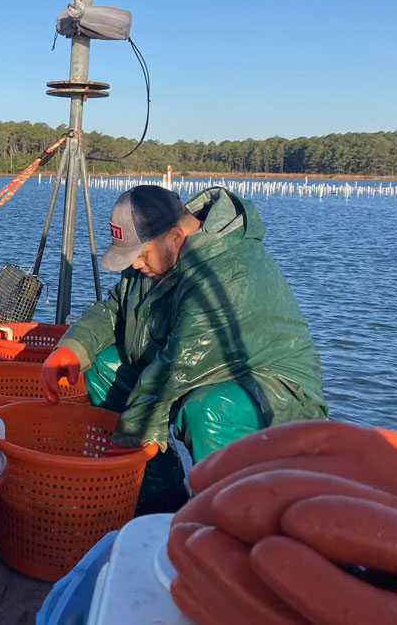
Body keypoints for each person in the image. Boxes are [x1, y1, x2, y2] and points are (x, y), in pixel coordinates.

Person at [42, 185, 327, 513]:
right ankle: (157, 496)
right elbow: (115, 307)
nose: (135, 265)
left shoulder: (229, 273)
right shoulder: (162, 255)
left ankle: (230, 516)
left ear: (176, 236)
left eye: (141, 255)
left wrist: (126, 440)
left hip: (275, 394)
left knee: (206, 410)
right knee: (104, 363)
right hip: (192, 369)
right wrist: (72, 348)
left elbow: (178, 366)